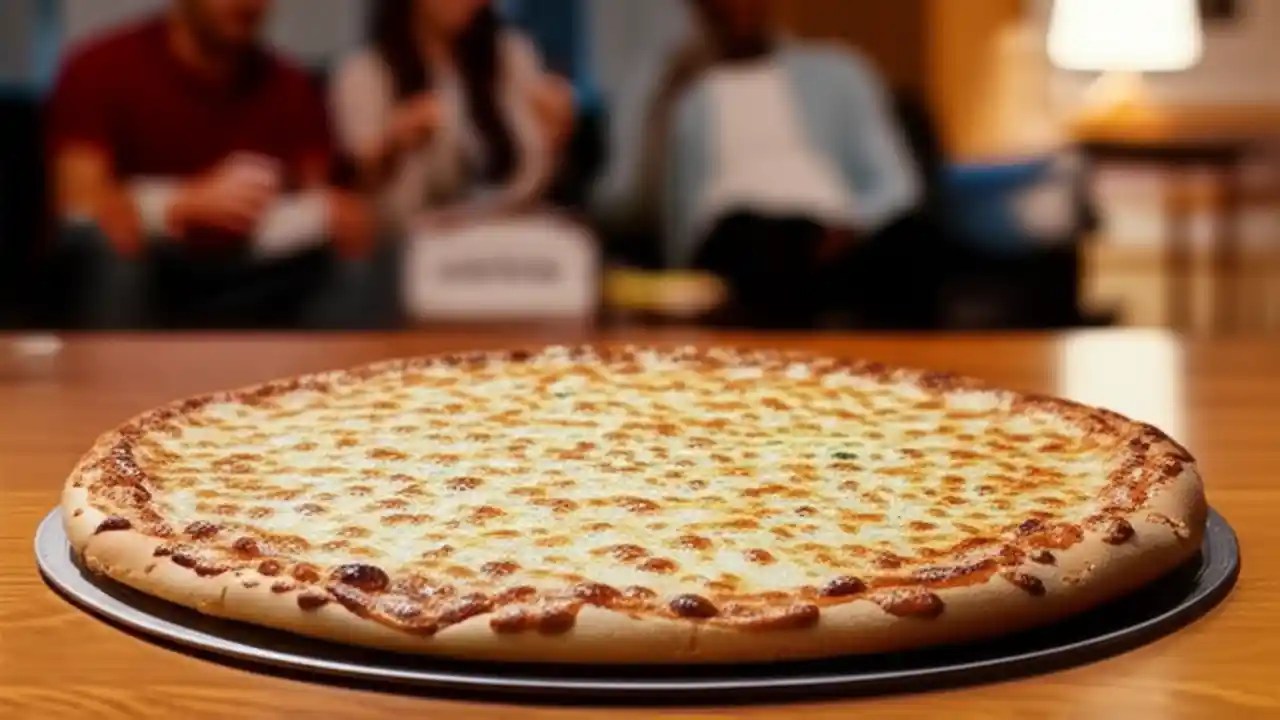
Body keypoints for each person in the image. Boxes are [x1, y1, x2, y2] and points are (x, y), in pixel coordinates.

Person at [597, 0, 947, 329]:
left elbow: (897, 185)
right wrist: (661, 110)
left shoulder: (838, 71)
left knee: (912, 244)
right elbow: (622, 205)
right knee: (760, 242)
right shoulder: (672, 88)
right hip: (736, 237)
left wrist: (851, 227)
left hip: (836, 231)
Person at [46, 0, 373, 328]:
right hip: (155, 266)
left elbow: (321, 193)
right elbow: (79, 200)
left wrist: (335, 212)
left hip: (257, 272)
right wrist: (178, 206)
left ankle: (337, 377)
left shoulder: (290, 84)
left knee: (354, 250)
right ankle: (114, 377)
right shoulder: (99, 67)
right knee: (103, 240)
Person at [330, 0, 574, 233]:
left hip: (507, 238)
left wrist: (552, 140)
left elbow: (530, 175)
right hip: (412, 250)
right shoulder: (363, 75)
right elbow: (359, 189)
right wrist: (393, 145)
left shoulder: (511, 55)